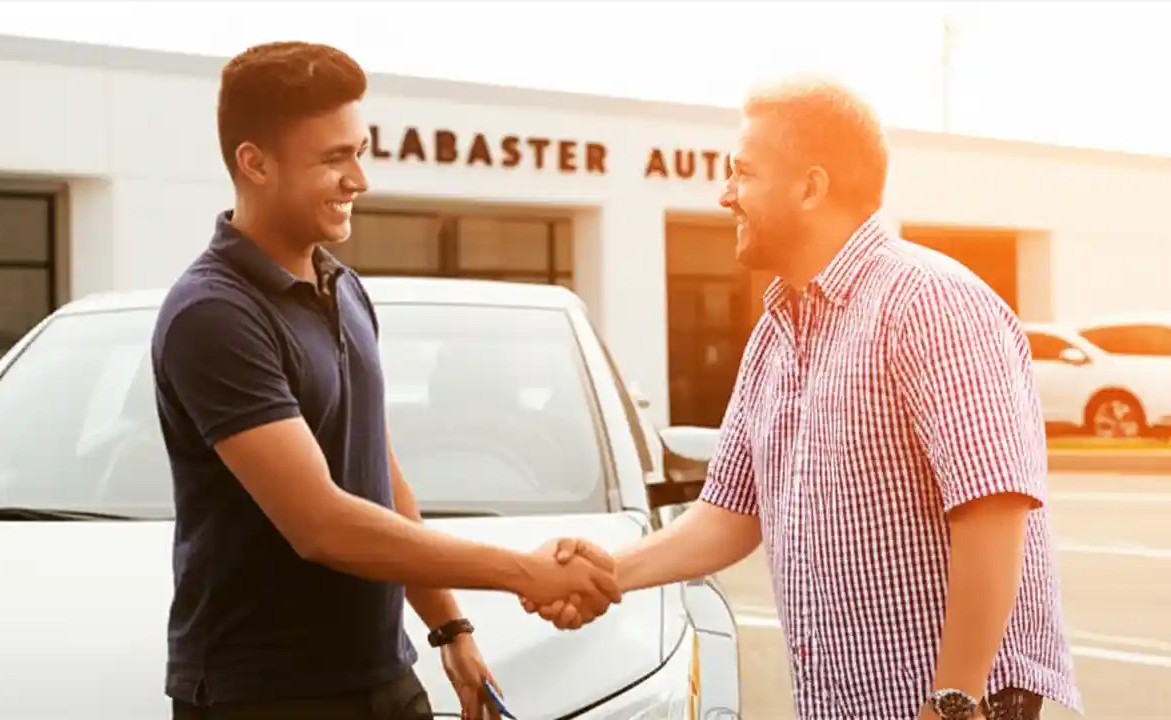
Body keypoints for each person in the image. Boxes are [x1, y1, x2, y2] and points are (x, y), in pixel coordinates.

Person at [526, 77, 1083, 720]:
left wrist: (951, 702)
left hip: (953, 702)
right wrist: (606, 574)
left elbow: (992, 508)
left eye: (743, 173)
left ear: (811, 187)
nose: (725, 194)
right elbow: (730, 515)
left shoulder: (929, 302)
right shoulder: (776, 332)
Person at [151, 41, 620, 720]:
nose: (359, 179)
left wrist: (450, 627)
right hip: (264, 695)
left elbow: (378, 473)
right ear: (254, 163)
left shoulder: (342, 288)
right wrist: (525, 571)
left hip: (382, 676)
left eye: (359, 151)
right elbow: (321, 524)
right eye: (333, 159)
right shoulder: (213, 314)